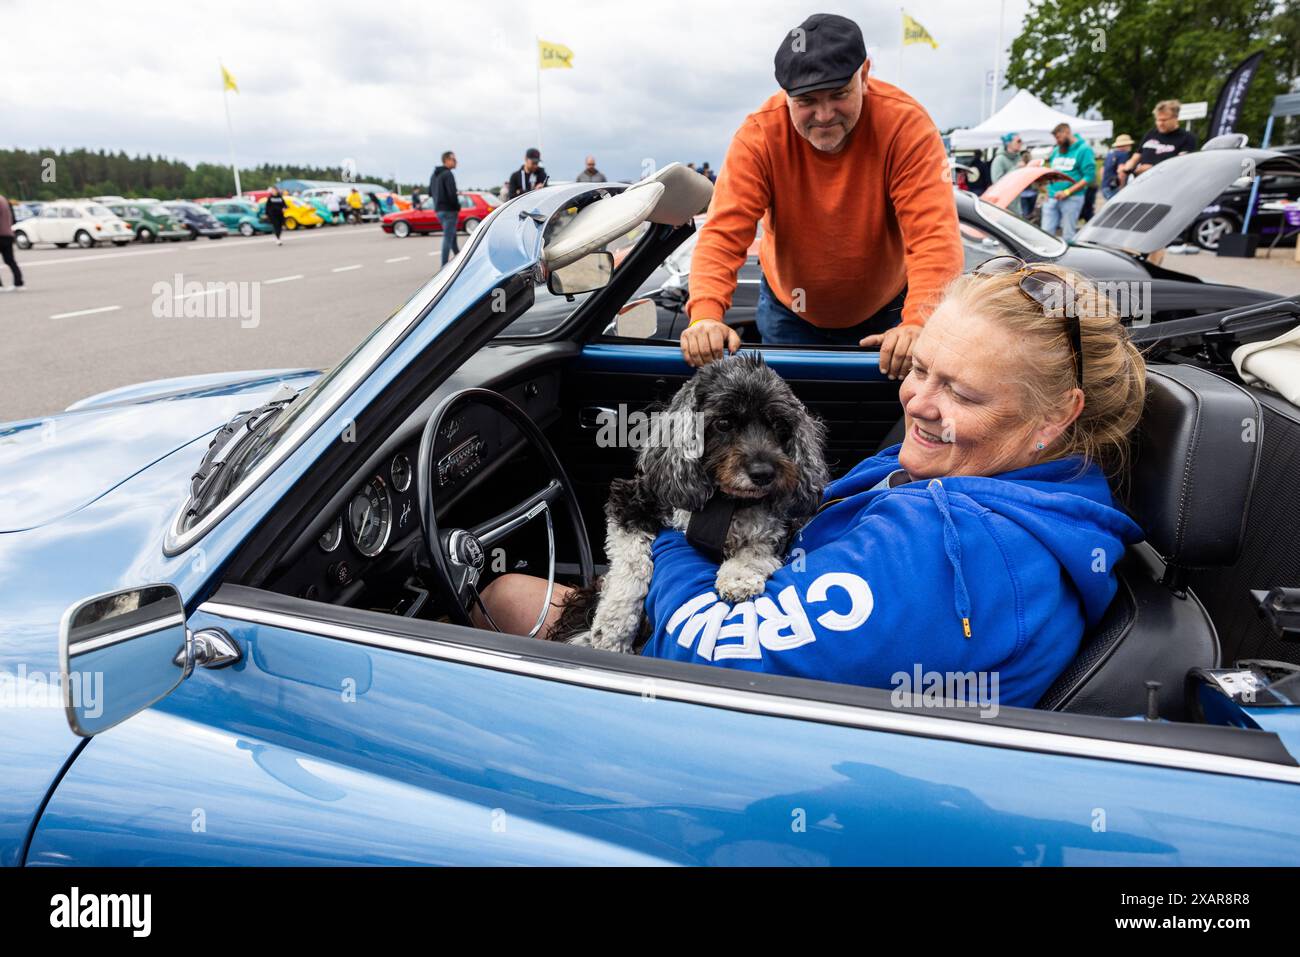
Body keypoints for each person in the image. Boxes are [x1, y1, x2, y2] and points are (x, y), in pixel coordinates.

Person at [478, 261, 1147, 709]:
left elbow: (709, 653)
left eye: (962, 392)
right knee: (515, 591)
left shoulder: (956, 558)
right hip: (745, 628)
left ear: (1054, 417)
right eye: (919, 370)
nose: (916, 402)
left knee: (497, 600)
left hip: (706, 702)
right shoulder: (953, 474)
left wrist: (671, 531)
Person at [678, 13, 962, 377]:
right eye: (807, 100)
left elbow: (934, 238)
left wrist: (920, 322)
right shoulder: (759, 136)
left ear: (864, 74)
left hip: (891, 314)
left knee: (887, 421)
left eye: (839, 94)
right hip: (788, 314)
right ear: (786, 94)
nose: (825, 115)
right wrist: (705, 315)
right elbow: (723, 234)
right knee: (788, 423)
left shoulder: (906, 126)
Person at [1040, 123, 1095, 243]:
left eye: (1058, 137)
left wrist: (1067, 192)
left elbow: (1089, 177)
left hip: (1072, 198)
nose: (1057, 141)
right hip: (1051, 198)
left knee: (1068, 236)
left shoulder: (1084, 149)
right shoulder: (1056, 151)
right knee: (1045, 234)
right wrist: (1045, 189)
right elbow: (1052, 172)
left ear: (1067, 132)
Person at [1119, 100, 1197, 186]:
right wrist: (1126, 168)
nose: (1160, 124)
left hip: (1166, 187)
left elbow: (1181, 166)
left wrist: (1153, 169)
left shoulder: (1187, 137)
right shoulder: (1151, 134)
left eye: (1164, 120)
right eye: (1157, 120)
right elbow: (1137, 155)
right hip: (1141, 185)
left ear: (1175, 118)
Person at [430, 150, 460, 266]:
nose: (456, 162)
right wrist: (457, 206)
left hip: (439, 210)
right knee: (448, 238)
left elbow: (430, 193)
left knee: (452, 236)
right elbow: (452, 194)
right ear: (447, 160)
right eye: (454, 159)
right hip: (449, 211)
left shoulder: (434, 175)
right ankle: (444, 267)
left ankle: (460, 260)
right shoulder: (448, 174)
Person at [0, 194, 24, 291]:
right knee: (10, 260)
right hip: (8, 234)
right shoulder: (5, 199)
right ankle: (19, 283)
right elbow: (14, 219)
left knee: (9, 260)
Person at [1100, 134, 1133, 200]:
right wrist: (1122, 188)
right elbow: (1121, 172)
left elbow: (1102, 170)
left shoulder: (1110, 154)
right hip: (1115, 188)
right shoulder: (1123, 154)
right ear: (1126, 145)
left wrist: (1104, 183)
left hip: (1105, 187)